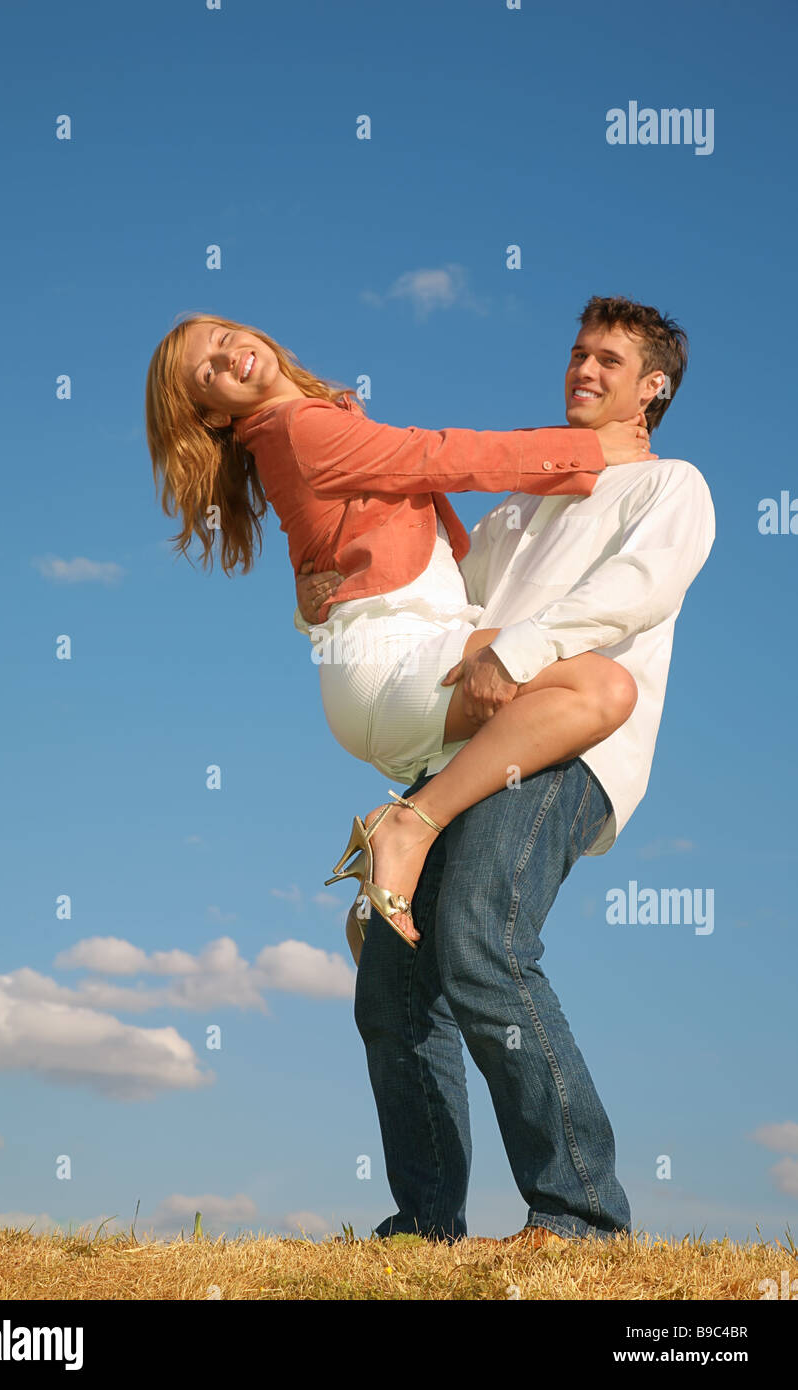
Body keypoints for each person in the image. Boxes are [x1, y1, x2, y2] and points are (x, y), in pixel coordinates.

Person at [295, 295, 715, 1245]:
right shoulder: (526, 507)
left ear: (652, 388)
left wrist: (518, 649)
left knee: (482, 938)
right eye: (576, 353)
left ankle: (580, 1212)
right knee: (392, 983)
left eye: (609, 359)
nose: (584, 369)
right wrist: (329, 601)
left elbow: (633, 594)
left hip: (570, 744)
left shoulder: (671, 486)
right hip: (469, 753)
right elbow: (441, 609)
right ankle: (427, 1221)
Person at [145, 312, 655, 958]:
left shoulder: (299, 427)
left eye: (222, 340)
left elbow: (322, 553)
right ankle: (405, 830)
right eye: (207, 373)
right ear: (214, 415)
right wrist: (588, 451)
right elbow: (435, 456)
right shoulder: (301, 427)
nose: (226, 358)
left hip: (390, 662)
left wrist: (306, 607)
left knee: (568, 688)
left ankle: (377, 912)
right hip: (393, 660)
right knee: (601, 688)